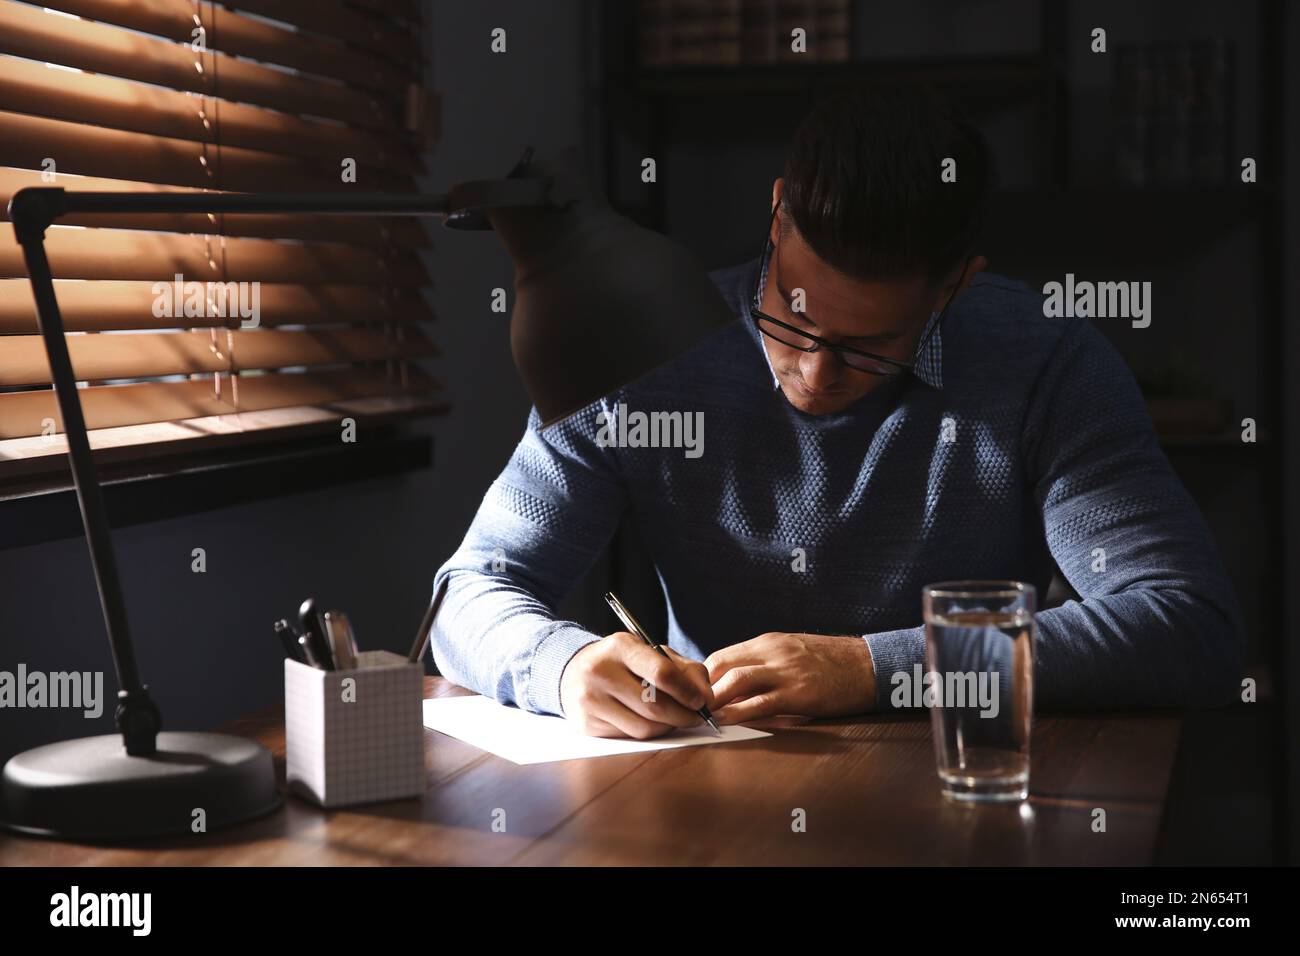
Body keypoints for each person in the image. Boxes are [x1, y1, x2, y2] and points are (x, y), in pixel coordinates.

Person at [429, 85, 1243, 739]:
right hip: (706, 783)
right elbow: (471, 592)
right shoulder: (650, 348)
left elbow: (1186, 625)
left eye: (870, 345)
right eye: (793, 314)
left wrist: (871, 669)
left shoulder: (1045, 363)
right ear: (777, 214)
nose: (816, 375)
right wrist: (561, 667)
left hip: (956, 785)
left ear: (955, 286)